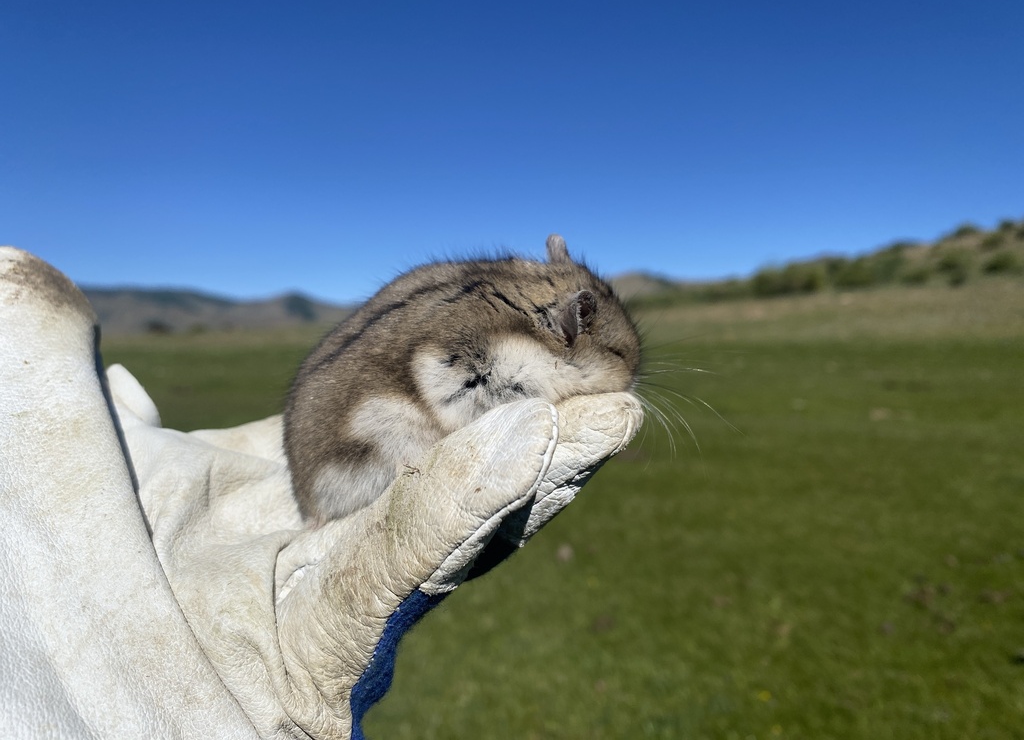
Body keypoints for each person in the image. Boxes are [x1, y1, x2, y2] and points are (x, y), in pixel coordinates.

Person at [0, 247, 642, 740]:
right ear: (569, 326)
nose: (627, 380)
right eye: (620, 361)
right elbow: (450, 387)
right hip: (352, 461)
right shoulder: (489, 338)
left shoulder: (487, 309)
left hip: (335, 446)